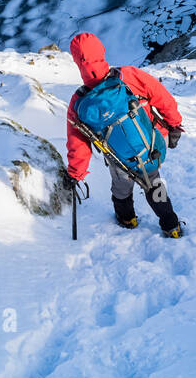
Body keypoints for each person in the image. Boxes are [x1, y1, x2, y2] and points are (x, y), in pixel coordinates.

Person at [64, 33, 185, 237]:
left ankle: (127, 218)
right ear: (102, 51)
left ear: (77, 62)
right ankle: (171, 226)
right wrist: (174, 126)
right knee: (153, 180)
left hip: (118, 157)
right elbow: (163, 98)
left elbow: (78, 144)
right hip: (151, 144)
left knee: (121, 185)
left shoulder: (78, 102)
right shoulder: (129, 76)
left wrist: (75, 174)